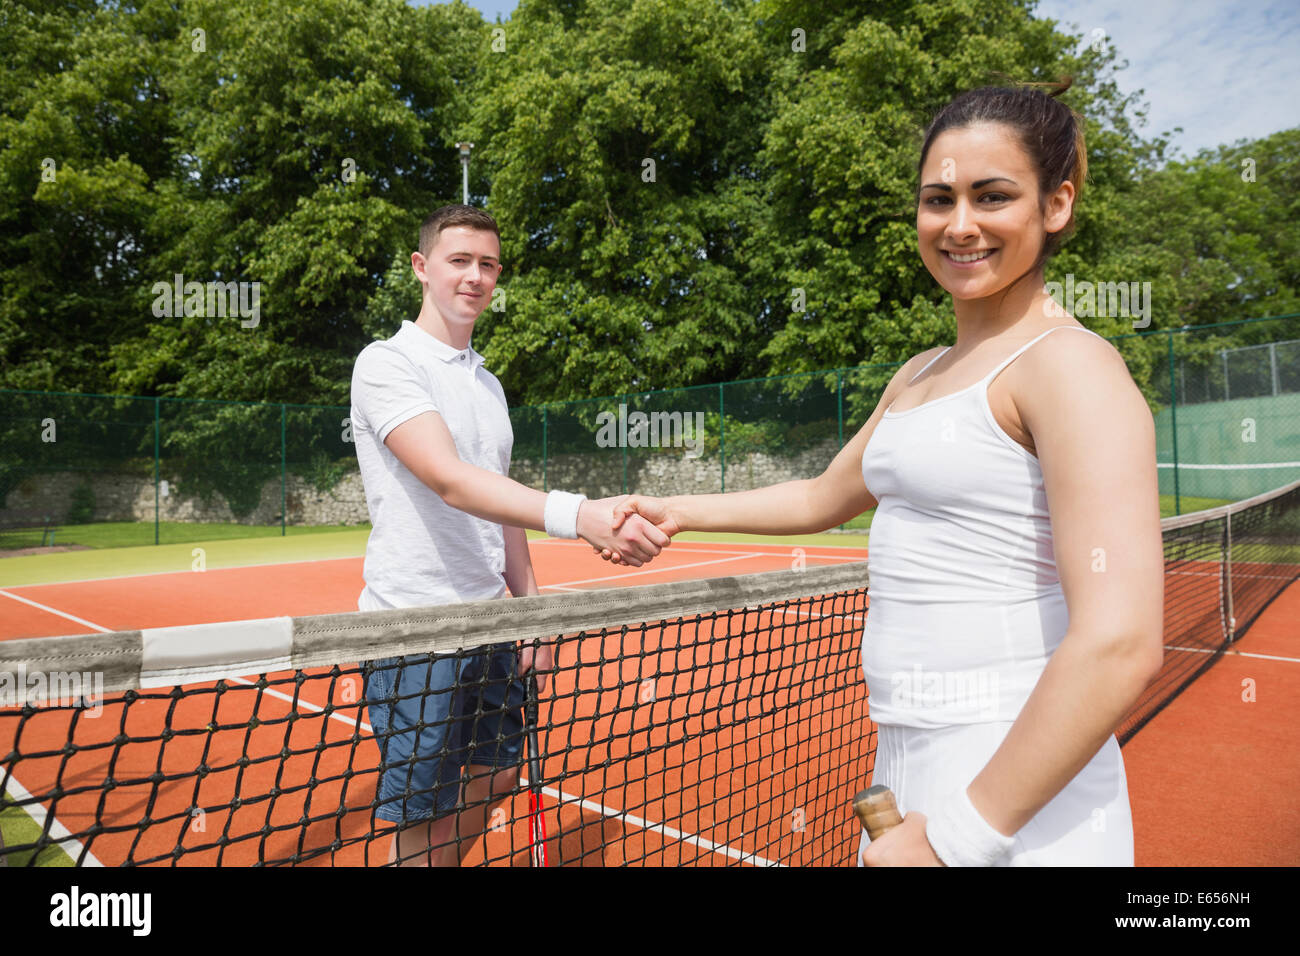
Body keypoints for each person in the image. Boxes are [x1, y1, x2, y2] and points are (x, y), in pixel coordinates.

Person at [602, 81, 1164, 866]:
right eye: (939, 199)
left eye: (992, 196)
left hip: (1016, 778)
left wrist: (960, 838)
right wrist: (677, 508)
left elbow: (1120, 641)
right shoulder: (920, 374)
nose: (959, 225)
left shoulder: (1073, 368)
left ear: (1057, 204)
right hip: (906, 757)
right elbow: (822, 495)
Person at [350, 204, 670, 866]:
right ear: (422, 268)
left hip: (492, 626)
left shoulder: (489, 386)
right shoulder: (387, 364)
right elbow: (451, 481)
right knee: (423, 808)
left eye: (487, 264)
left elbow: (500, 503)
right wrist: (582, 514)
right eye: (459, 260)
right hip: (415, 630)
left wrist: (533, 613)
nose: (474, 276)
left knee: (495, 776)